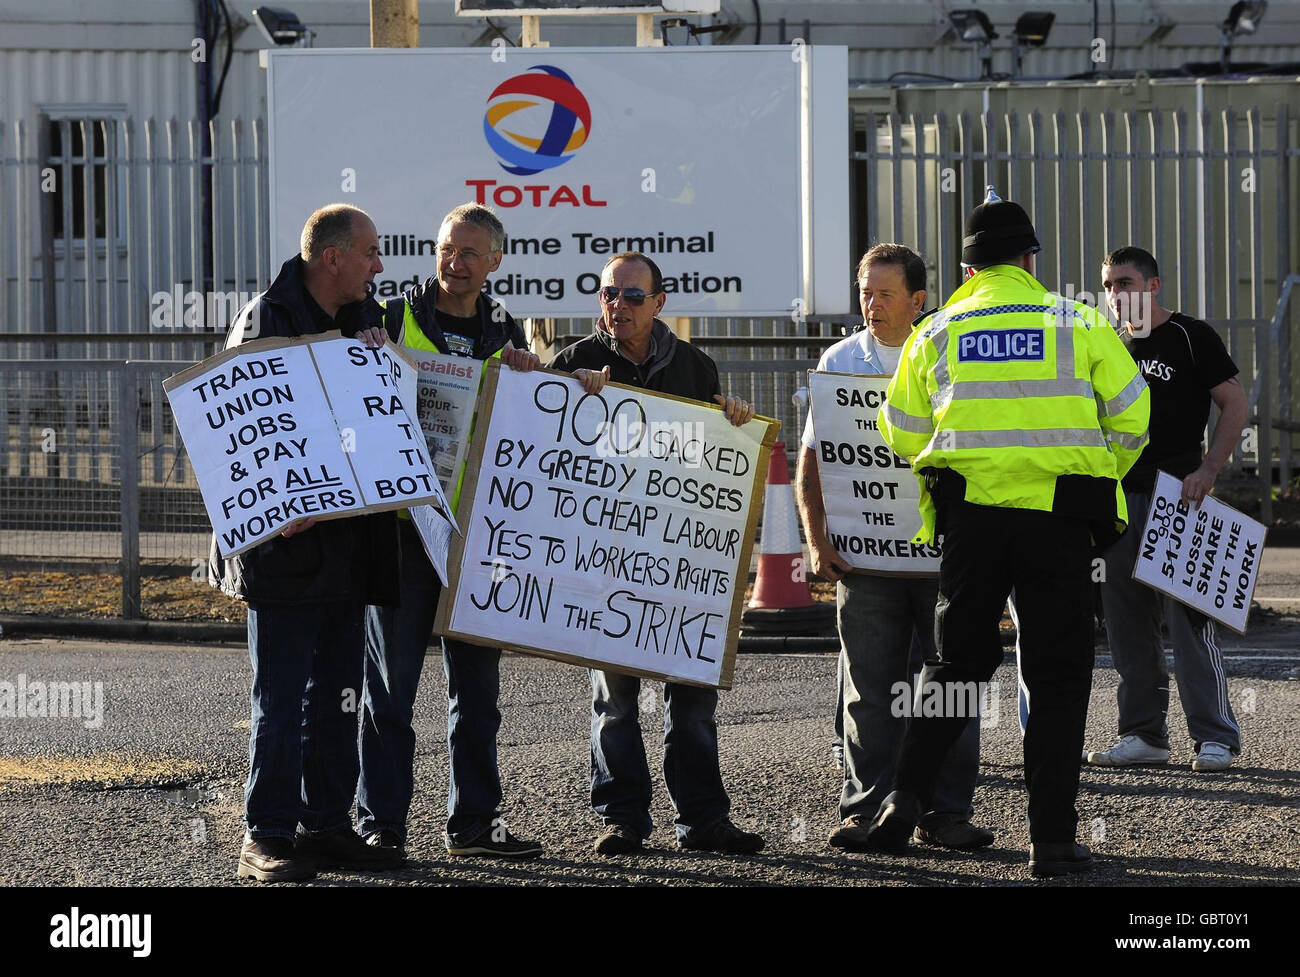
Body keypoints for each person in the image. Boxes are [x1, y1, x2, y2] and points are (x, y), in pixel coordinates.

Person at [868, 188, 1151, 878]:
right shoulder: (1080, 322)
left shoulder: (935, 332)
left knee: (954, 665)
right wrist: (1087, 476)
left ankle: (903, 798)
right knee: (1056, 677)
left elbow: (902, 430)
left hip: (971, 523)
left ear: (968, 273)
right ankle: (1051, 839)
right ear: (1030, 260)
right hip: (1059, 524)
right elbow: (1133, 420)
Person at [548, 251, 765, 856]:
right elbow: (545, 450)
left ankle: (704, 822)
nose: (618, 306)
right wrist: (572, 395)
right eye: (608, 294)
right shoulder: (574, 362)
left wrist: (734, 418)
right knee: (614, 703)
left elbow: (716, 451)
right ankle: (622, 820)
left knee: (691, 700)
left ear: (660, 303)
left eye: (632, 296)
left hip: (679, 562)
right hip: (604, 560)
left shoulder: (695, 366)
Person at [212, 203, 402, 883]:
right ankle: (264, 834)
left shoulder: (366, 319)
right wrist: (275, 502)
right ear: (333, 258)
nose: (378, 266)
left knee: (337, 695)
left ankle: (325, 825)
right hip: (283, 551)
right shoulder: (266, 318)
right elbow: (233, 426)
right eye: (371, 253)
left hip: (348, 548)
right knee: (281, 698)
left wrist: (390, 368)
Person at [355, 203, 543, 860]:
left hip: (477, 539)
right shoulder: (390, 316)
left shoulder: (505, 330)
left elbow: (529, 423)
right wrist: (365, 352)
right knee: (389, 692)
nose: (454, 263)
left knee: (478, 696)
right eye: (445, 249)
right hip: (405, 532)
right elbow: (346, 391)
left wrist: (531, 375)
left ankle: (475, 825)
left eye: (469, 253)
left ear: (495, 261)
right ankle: (379, 824)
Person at [795, 243, 993, 853]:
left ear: (918, 299)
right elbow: (814, 457)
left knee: (950, 690)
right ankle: (864, 807)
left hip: (942, 563)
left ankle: (946, 812)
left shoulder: (949, 352)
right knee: (869, 691)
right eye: (865, 292)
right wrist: (815, 537)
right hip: (866, 564)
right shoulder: (840, 360)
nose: (871, 305)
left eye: (884, 293)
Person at [1086, 246, 1247, 772]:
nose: (1115, 295)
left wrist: (1208, 471)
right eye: (1108, 285)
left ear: (1153, 287)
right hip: (1116, 500)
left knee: (1190, 625)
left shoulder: (1190, 336)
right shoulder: (1102, 342)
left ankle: (1215, 736)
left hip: (1179, 494)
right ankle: (1143, 735)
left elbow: (1236, 404)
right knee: (1127, 623)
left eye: (1125, 283)